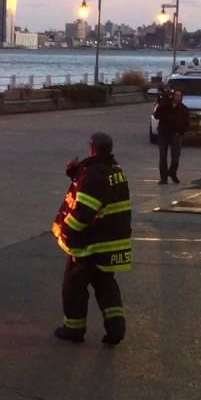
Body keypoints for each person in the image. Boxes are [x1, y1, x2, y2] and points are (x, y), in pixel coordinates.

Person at [52, 132, 133, 346]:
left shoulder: (94, 174)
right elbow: (100, 191)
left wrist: (67, 231)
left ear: (92, 149)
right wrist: (75, 173)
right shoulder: (116, 171)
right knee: (106, 285)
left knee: (74, 286)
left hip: (90, 245)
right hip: (112, 242)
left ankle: (73, 329)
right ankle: (116, 328)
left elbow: (85, 210)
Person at [153, 89, 190, 184]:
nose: (177, 97)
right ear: (172, 96)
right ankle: (163, 178)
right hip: (163, 134)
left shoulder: (184, 109)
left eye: (179, 96)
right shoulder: (165, 106)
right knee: (162, 157)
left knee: (175, 158)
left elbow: (187, 123)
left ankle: (172, 173)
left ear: (181, 98)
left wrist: (181, 131)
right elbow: (156, 115)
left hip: (176, 135)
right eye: (176, 95)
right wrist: (162, 103)